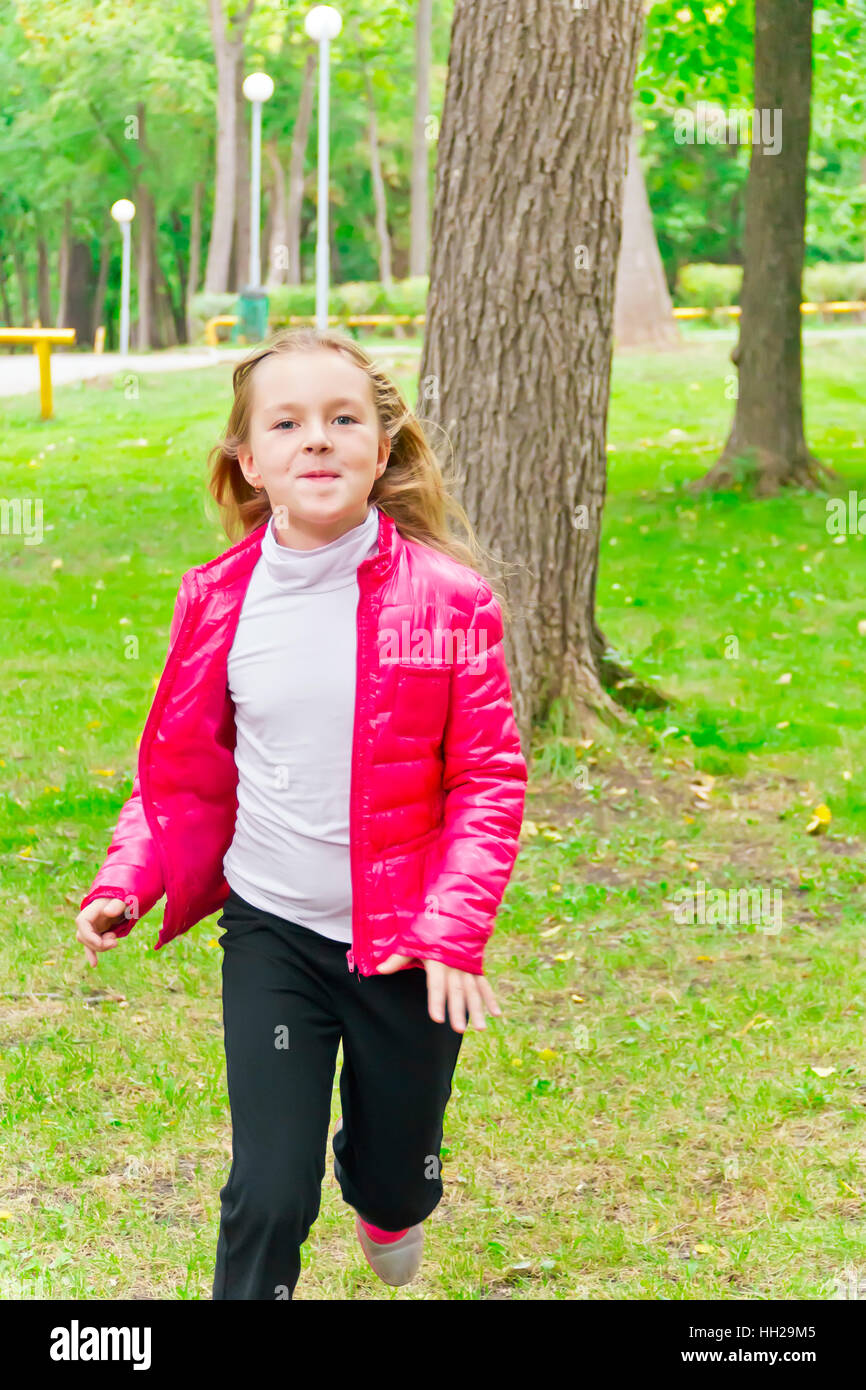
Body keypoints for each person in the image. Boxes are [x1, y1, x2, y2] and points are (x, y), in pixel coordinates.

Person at [75, 326, 528, 1300]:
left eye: (342, 420)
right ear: (249, 458)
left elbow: (487, 779)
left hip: (405, 944)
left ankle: (386, 1195)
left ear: (381, 445)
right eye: (286, 423)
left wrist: (453, 928)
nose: (315, 440)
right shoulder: (215, 600)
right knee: (268, 1189)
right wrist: (129, 877)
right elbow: (185, 776)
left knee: (399, 1171)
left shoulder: (449, 601)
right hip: (272, 929)